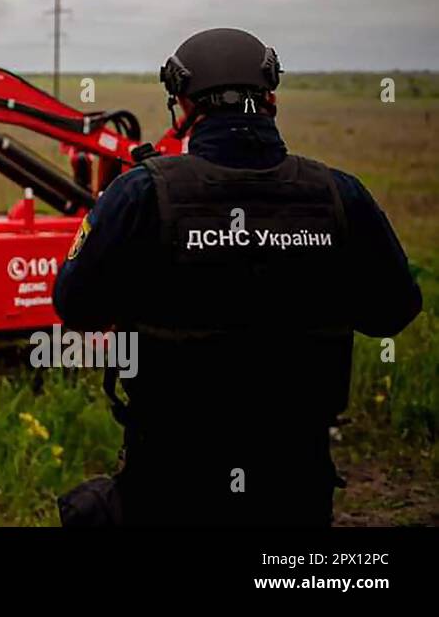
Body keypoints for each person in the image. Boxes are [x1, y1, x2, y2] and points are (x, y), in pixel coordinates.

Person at [53, 28, 421, 527]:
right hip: (296, 474)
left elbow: (76, 306)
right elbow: (393, 312)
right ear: (271, 95)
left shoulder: (140, 192)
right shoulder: (340, 194)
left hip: (170, 473)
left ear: (180, 103)